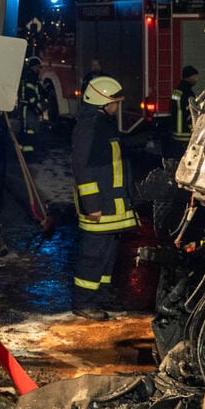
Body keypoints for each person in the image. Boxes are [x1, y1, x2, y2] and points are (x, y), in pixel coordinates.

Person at [71, 75, 139, 320]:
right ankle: (84, 302)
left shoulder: (101, 123)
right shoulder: (89, 128)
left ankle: (99, 296)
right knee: (93, 256)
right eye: (115, 102)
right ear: (103, 101)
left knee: (107, 255)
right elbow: (83, 169)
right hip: (100, 207)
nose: (117, 106)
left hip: (111, 205)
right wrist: (92, 205)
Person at [16, 56, 49, 159]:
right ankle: (27, 154)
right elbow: (31, 96)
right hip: (29, 108)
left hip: (30, 108)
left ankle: (26, 152)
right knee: (29, 130)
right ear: (33, 67)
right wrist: (38, 107)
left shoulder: (31, 77)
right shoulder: (30, 78)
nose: (39, 70)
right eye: (38, 67)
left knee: (29, 130)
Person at [166, 65, 201, 160]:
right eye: (195, 76)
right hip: (184, 133)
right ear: (189, 77)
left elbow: (175, 108)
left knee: (178, 157)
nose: (196, 79)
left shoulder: (177, 91)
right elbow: (190, 110)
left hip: (176, 131)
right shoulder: (187, 92)